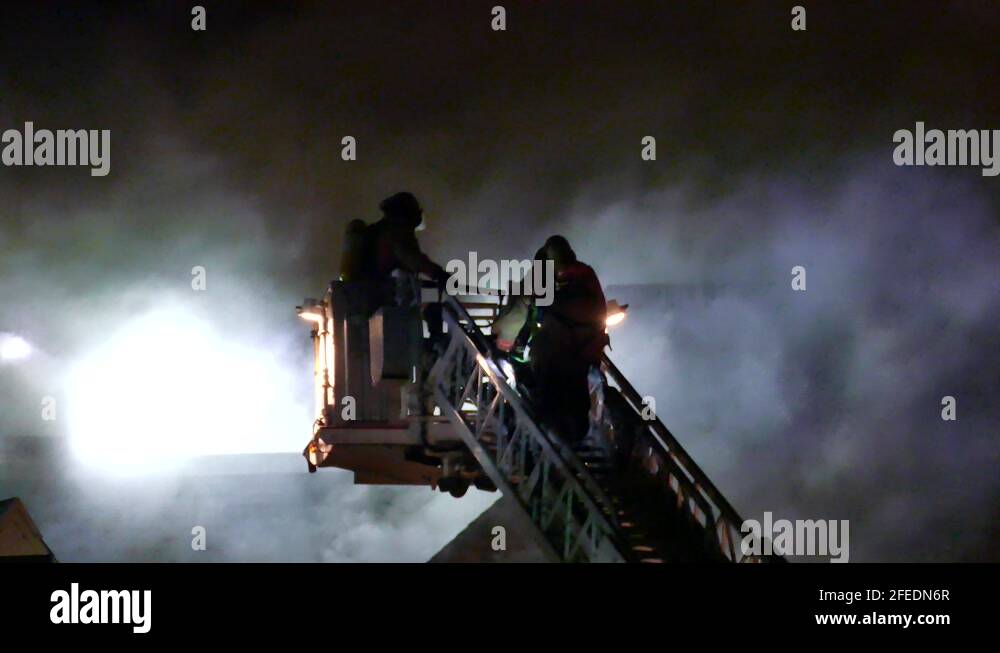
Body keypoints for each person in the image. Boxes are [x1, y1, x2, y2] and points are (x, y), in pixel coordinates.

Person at [529, 235, 608, 444]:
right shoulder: (587, 275)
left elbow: (540, 311)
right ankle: (572, 437)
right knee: (576, 397)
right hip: (585, 353)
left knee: (549, 393)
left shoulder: (560, 285)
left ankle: (549, 434)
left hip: (558, 356)